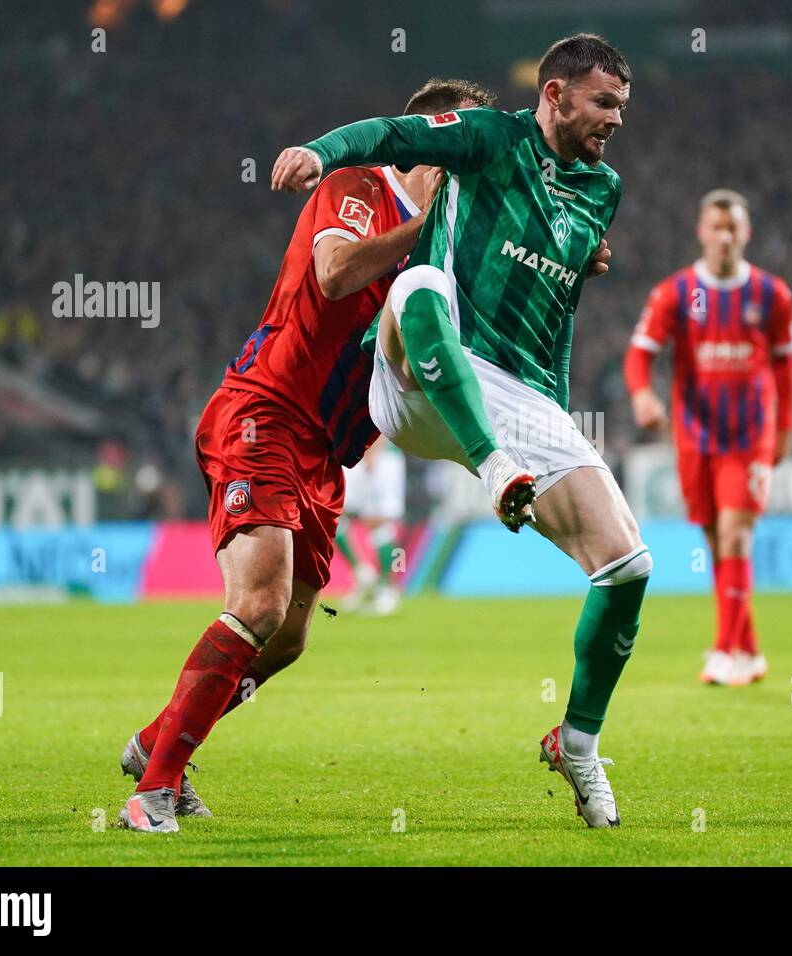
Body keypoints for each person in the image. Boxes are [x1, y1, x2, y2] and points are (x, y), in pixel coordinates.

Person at [271, 33, 645, 828]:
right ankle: (491, 468)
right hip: (417, 374)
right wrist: (318, 149)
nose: (616, 118)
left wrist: (555, 407)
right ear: (554, 94)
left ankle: (578, 742)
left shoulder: (603, 190)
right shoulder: (490, 137)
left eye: (621, 105)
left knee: (627, 567)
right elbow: (389, 134)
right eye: (603, 102)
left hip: (516, 394)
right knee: (418, 282)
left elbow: (561, 310)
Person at [117, 80, 495, 833]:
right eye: (462, 147)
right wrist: (426, 231)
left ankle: (156, 742)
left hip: (325, 452)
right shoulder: (361, 185)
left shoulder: (447, 243)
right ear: (429, 138)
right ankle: (152, 793)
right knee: (256, 603)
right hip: (263, 410)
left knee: (286, 638)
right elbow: (333, 274)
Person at [624, 189, 792, 686]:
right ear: (701, 232)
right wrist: (641, 395)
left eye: (733, 227)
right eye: (716, 227)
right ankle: (750, 650)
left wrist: (785, 427)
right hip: (695, 436)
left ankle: (724, 650)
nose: (724, 236)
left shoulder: (771, 295)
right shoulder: (676, 293)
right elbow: (640, 355)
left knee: (734, 535)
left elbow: (786, 365)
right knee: (714, 538)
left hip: (749, 435)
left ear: (747, 234)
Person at [336, 437, 407, 615]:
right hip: (352, 452)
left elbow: (378, 412)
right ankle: (362, 573)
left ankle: (386, 589)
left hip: (381, 455)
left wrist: (374, 453)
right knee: (335, 515)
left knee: (378, 521)